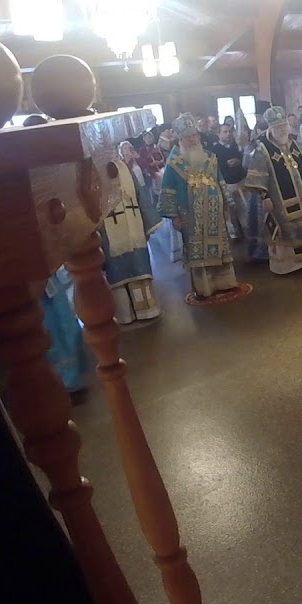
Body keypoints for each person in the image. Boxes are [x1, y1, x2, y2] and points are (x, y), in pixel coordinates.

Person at [158, 113, 239, 299]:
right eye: (188, 137)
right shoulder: (174, 162)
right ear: (181, 139)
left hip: (214, 213)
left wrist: (226, 203)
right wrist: (174, 216)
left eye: (194, 135)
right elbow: (168, 190)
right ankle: (205, 287)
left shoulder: (209, 157)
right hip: (191, 215)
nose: (193, 139)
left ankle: (225, 282)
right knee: (198, 251)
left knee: (219, 246)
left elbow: (219, 180)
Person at [244, 106, 302, 276]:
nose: (283, 130)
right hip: (279, 200)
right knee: (286, 231)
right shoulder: (263, 149)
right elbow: (257, 177)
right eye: (278, 127)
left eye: (284, 126)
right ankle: (290, 266)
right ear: (271, 128)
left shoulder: (295, 144)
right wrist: (265, 197)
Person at [101, 141, 162, 325]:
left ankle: (147, 311)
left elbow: (141, 195)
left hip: (133, 225)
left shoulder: (125, 169)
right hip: (108, 233)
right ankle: (125, 315)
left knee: (139, 269)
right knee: (117, 274)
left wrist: (149, 224)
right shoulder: (92, 174)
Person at [41, 267, 91, 394]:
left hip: (46, 282)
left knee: (61, 326)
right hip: (39, 285)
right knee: (56, 329)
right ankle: (65, 380)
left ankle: (68, 380)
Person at [209, 122, 248, 240]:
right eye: (225, 132)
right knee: (230, 212)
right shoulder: (214, 150)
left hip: (240, 182)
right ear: (219, 134)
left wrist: (239, 161)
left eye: (230, 131)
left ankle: (247, 233)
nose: (228, 134)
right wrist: (225, 164)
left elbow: (245, 160)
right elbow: (213, 167)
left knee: (244, 210)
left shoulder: (236, 147)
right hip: (226, 184)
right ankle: (234, 235)